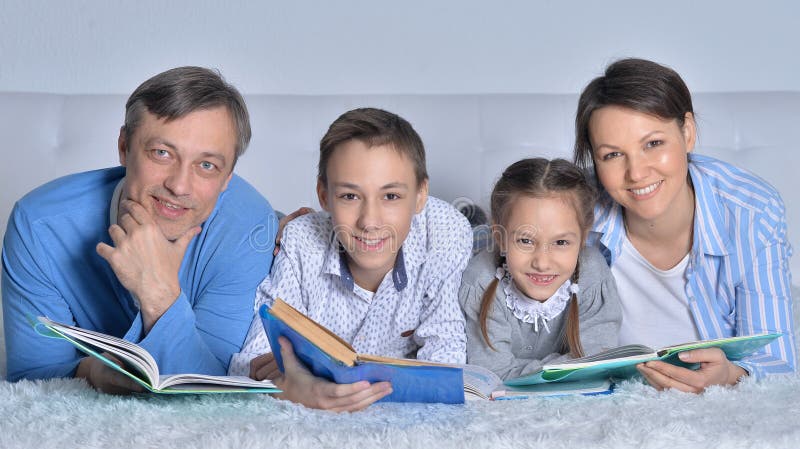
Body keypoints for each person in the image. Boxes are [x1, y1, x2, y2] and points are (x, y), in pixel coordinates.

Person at [2, 66, 279, 393]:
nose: (178, 185)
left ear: (228, 177)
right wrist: (92, 370)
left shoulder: (249, 226)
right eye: (162, 153)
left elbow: (216, 383)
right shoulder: (38, 227)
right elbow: (31, 377)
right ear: (124, 147)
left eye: (207, 165)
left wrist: (158, 294)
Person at [573, 58, 797, 392]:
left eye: (653, 144)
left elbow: (778, 365)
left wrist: (730, 376)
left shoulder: (751, 211)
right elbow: (505, 240)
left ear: (687, 132)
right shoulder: (576, 210)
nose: (636, 173)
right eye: (612, 155)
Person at [229, 107, 473, 412]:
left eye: (391, 196)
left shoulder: (445, 234)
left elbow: (446, 361)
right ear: (324, 194)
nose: (369, 221)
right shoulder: (301, 241)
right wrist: (291, 388)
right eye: (349, 196)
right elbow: (250, 364)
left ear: (421, 194)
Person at [460, 158, 621, 380]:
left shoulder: (592, 272)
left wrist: (520, 369)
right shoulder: (480, 279)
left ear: (583, 237)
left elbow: (597, 360)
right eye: (525, 241)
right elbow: (492, 373)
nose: (542, 263)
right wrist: (569, 364)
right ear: (501, 238)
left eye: (561, 243)